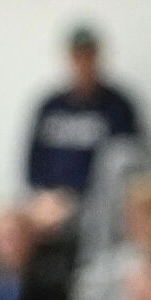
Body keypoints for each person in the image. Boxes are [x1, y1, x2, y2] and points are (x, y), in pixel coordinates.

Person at [25, 26, 141, 200]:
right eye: (77, 57)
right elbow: (34, 163)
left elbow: (130, 163)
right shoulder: (50, 106)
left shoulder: (119, 106)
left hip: (97, 203)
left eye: (88, 56)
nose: (83, 64)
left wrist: (74, 197)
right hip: (48, 200)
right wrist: (46, 196)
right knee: (6, 221)